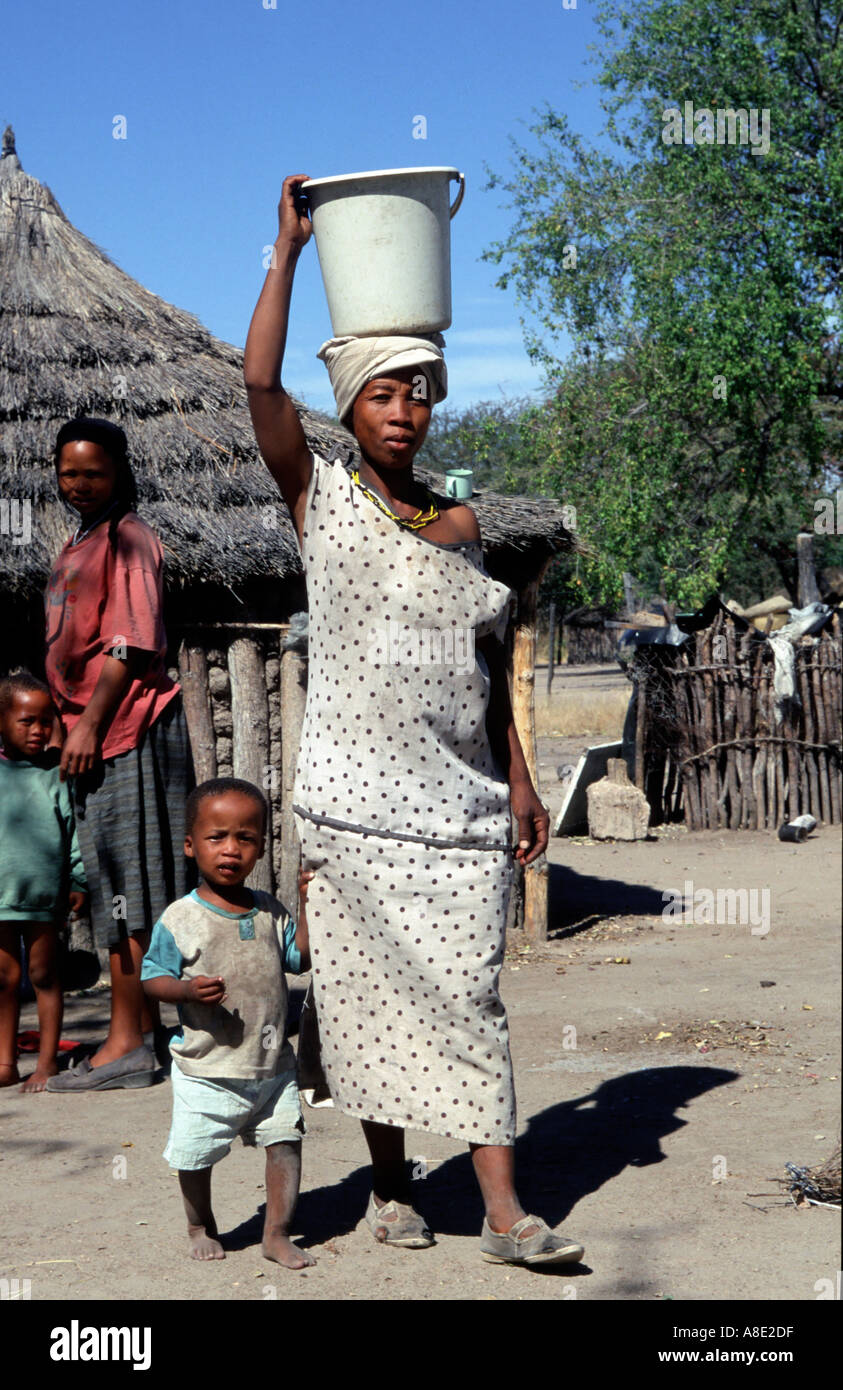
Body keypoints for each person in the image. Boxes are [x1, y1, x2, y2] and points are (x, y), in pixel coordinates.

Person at [242, 174, 585, 1267]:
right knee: (361, 1001)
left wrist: (521, 778)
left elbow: (483, 659)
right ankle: (392, 1190)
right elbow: (258, 381)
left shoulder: (460, 522)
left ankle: (503, 1213)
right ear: (350, 405)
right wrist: (288, 250)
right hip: (350, 800)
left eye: (421, 394)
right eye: (385, 394)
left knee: (472, 999)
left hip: (456, 802)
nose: (404, 412)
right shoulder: (321, 497)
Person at [43, 418, 195, 1092]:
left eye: (94, 473)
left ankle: (132, 1042)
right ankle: (131, 1032)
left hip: (129, 729)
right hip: (98, 736)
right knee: (112, 887)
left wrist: (89, 725)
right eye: (69, 472)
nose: (80, 484)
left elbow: (128, 645)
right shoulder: (76, 544)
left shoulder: (128, 539)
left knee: (132, 888)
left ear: (119, 473)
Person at [141, 778, 312, 1268]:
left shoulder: (269, 911)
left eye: (246, 838)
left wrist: (305, 904)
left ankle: (275, 1233)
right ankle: (200, 1223)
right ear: (191, 845)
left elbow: (300, 958)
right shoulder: (180, 918)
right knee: (194, 1158)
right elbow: (152, 979)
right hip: (206, 1071)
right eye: (217, 838)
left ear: (261, 846)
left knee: (285, 1147)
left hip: (272, 1067)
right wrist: (186, 990)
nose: (231, 850)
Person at [0, 673, 88, 1092]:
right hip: (0, 897)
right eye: (25, 721)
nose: (38, 730)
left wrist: (78, 880)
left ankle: (48, 1061)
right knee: (3, 977)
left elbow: (72, 832)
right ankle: (5, 1062)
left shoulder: (57, 775)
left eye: (45, 721)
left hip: (45, 896)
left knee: (44, 974)